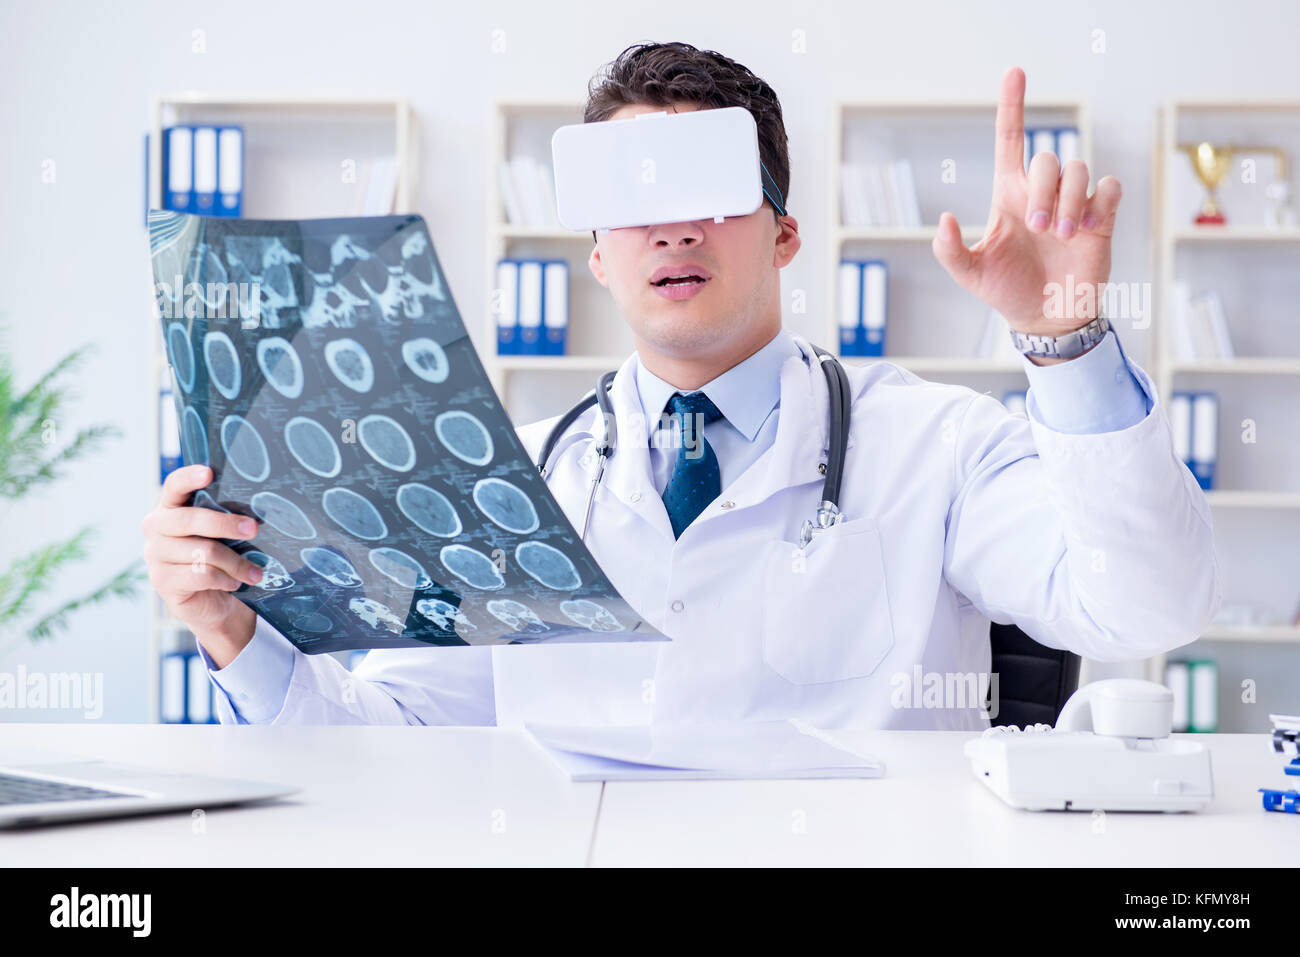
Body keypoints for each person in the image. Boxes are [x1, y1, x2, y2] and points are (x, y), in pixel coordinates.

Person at [140, 42, 1219, 729]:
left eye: (709, 187)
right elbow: (396, 749)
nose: (671, 225)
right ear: (599, 256)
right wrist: (234, 632)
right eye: (629, 200)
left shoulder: (938, 441)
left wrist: (1062, 340)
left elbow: (1146, 607)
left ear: (785, 235)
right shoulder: (510, 474)